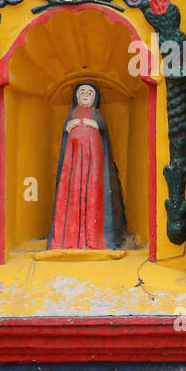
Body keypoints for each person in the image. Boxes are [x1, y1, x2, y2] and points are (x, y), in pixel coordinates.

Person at [49, 82, 126, 250]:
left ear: (95, 97)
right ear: (76, 96)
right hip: (74, 160)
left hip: (93, 158)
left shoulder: (97, 113)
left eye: (89, 92)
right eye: (82, 91)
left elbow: (102, 127)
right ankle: (69, 238)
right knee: (73, 189)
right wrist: (70, 126)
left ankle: (93, 237)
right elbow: (66, 130)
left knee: (92, 192)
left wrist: (93, 125)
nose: (85, 94)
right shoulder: (72, 113)